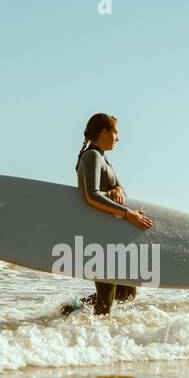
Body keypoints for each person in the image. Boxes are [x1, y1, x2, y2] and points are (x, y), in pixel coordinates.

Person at [61, 112, 153, 315]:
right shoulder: (91, 156)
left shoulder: (104, 158)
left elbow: (119, 188)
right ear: (104, 132)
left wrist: (117, 189)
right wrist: (128, 213)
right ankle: (86, 334)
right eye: (115, 132)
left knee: (127, 292)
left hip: (110, 236)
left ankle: (70, 308)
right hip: (98, 236)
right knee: (105, 300)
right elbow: (91, 196)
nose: (118, 138)